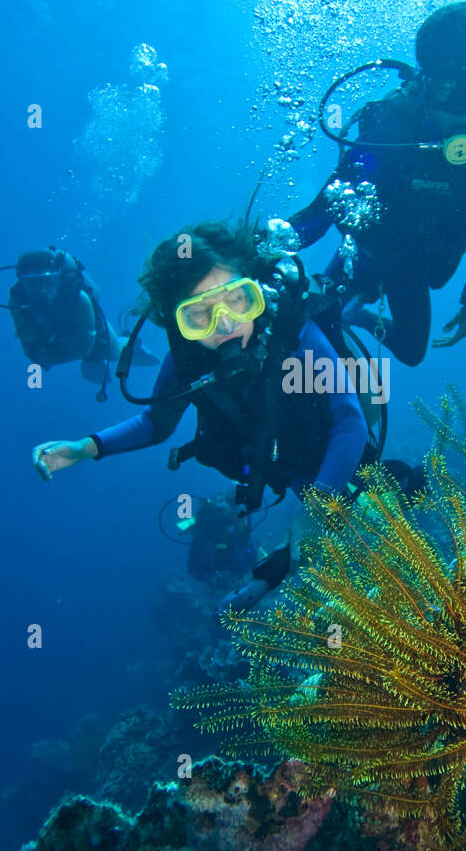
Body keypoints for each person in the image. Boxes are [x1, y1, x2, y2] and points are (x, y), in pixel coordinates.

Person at [32, 221, 375, 611]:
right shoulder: (187, 361)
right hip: (290, 471)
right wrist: (84, 448)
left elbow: (350, 422)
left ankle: (357, 288)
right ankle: (271, 577)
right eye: (200, 316)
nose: (224, 324)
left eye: (237, 300)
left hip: (339, 453)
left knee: (368, 516)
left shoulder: (295, 331)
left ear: (256, 291)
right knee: (317, 555)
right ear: (179, 324)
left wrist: (316, 511)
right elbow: (153, 424)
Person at [289, 0, 466, 366]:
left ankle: (358, 315)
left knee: (413, 353)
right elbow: (324, 210)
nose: (460, 108)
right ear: (424, 84)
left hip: (416, 268)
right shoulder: (390, 126)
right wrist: (271, 248)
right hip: (367, 254)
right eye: (445, 90)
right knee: (311, 324)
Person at [0, 247, 158, 400]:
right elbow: (29, 345)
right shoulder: (17, 300)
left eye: (46, 281)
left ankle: (128, 340)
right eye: (32, 284)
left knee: (110, 353)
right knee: (93, 360)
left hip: (91, 329)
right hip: (56, 333)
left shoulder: (79, 298)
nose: (41, 290)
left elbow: (85, 348)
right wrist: (44, 355)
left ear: (56, 279)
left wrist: (51, 358)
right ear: (22, 285)